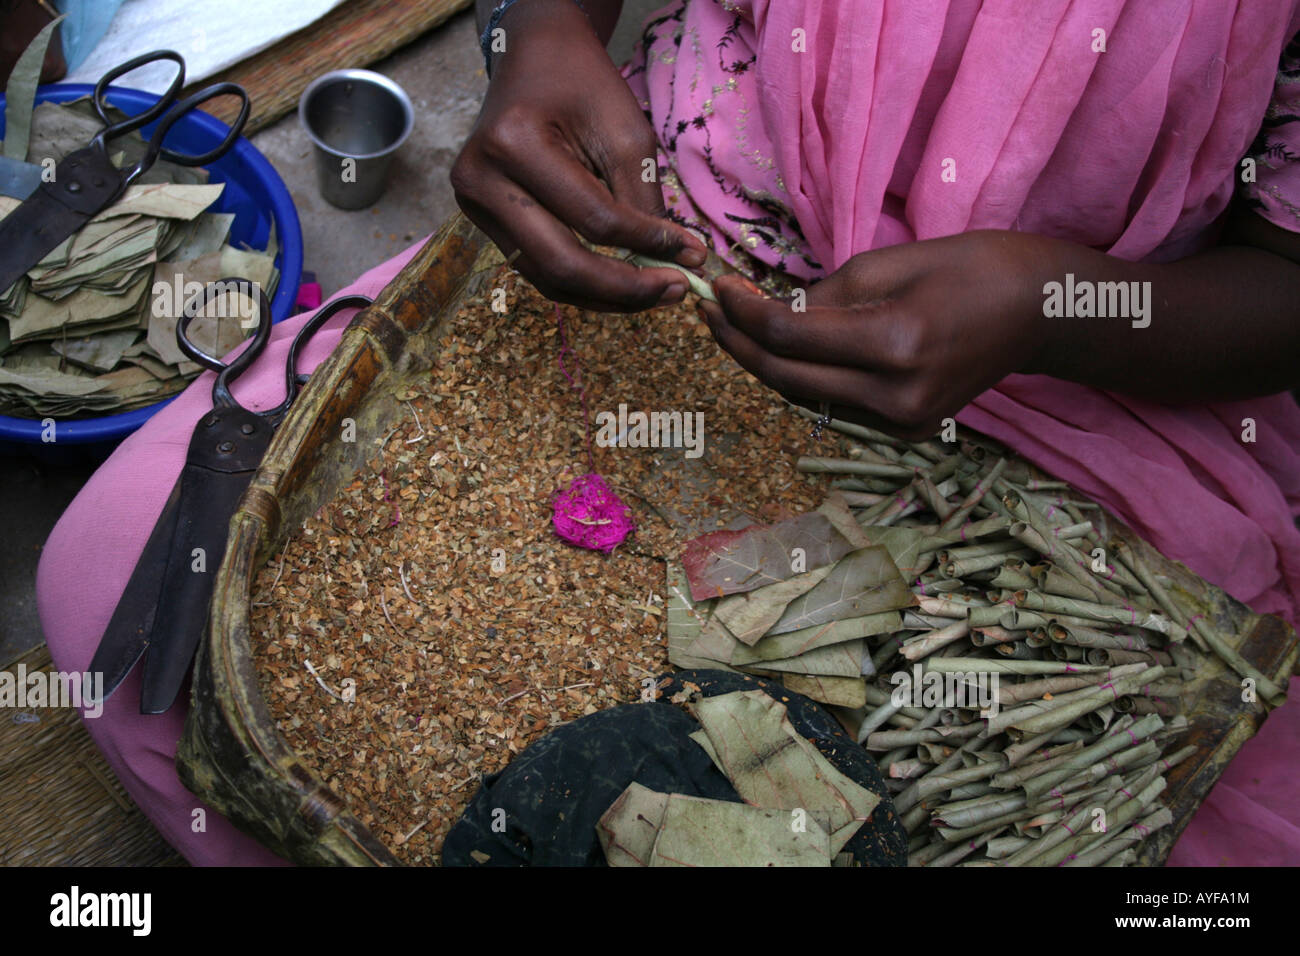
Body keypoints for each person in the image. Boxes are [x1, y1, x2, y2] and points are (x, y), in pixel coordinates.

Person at [38, 0, 1300, 865]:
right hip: (683, 221)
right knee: (116, 597)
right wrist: (541, 33)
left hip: (1076, 361)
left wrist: (1049, 305)